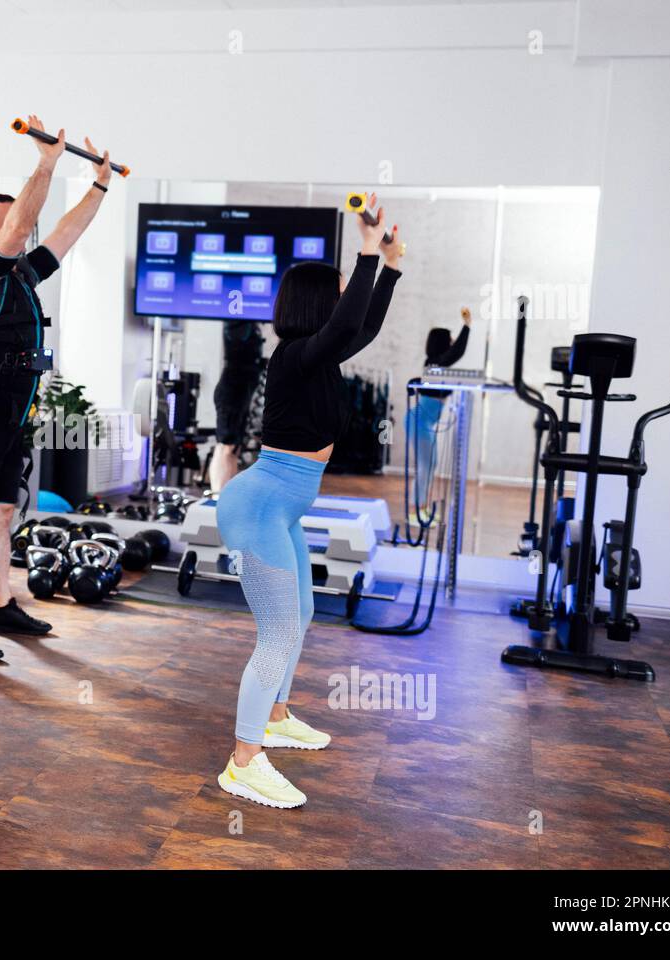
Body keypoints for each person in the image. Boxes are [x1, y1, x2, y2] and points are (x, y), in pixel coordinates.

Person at [215, 194, 403, 809]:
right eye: (344, 287)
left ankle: (275, 716)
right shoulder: (296, 357)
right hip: (261, 505)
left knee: (301, 617)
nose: (350, 295)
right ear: (322, 303)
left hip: (281, 506)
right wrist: (367, 245)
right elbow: (350, 322)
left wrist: (390, 268)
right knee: (275, 634)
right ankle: (244, 761)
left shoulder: (317, 360)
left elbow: (362, 325)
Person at [0, 118, 113, 662]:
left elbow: (65, 232)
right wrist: (46, 162)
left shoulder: (22, 276)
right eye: (11, 220)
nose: (23, 227)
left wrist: (100, 185)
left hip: (14, 409)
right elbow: (25, 226)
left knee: (2, 512)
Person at [407, 307, 472, 517]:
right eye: (450, 339)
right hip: (419, 423)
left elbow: (454, 354)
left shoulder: (436, 365)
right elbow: (457, 352)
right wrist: (467, 326)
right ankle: (415, 511)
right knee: (425, 468)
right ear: (443, 343)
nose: (453, 342)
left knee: (429, 465)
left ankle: (421, 508)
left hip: (422, 424)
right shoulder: (434, 364)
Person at [208, 321, 266, 492]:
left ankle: (227, 494)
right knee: (226, 446)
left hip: (242, 391)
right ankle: (217, 495)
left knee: (234, 449)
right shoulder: (237, 323)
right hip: (232, 390)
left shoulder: (251, 325)